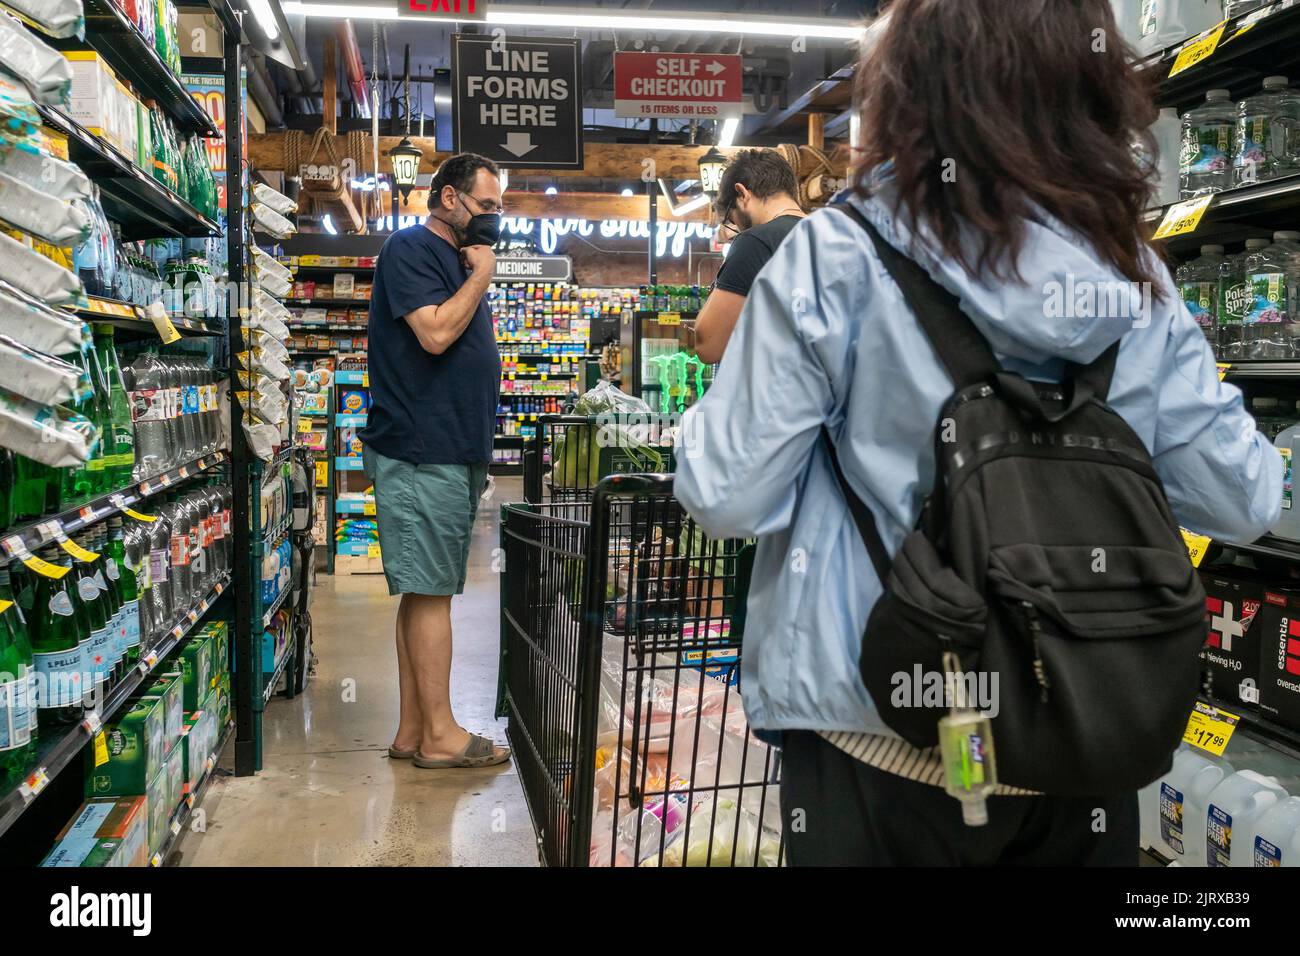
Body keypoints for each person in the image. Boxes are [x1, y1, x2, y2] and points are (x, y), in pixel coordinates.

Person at [674, 0, 1281, 865]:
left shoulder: (835, 255)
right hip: (1084, 740)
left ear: (906, 89)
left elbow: (729, 495)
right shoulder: (1134, 275)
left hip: (879, 741)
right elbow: (1245, 495)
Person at [360, 152, 510, 770]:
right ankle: (443, 737)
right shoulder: (410, 250)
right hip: (424, 448)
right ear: (448, 198)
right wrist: (482, 276)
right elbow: (436, 334)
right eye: (487, 206)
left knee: (423, 591)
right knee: (432, 592)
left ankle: (413, 730)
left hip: (447, 446)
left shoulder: (453, 258)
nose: (494, 219)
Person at [692, 149, 805, 364]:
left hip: (776, 390)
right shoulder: (833, 237)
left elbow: (709, 346)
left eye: (732, 219)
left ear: (742, 193)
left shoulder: (755, 242)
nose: (738, 228)